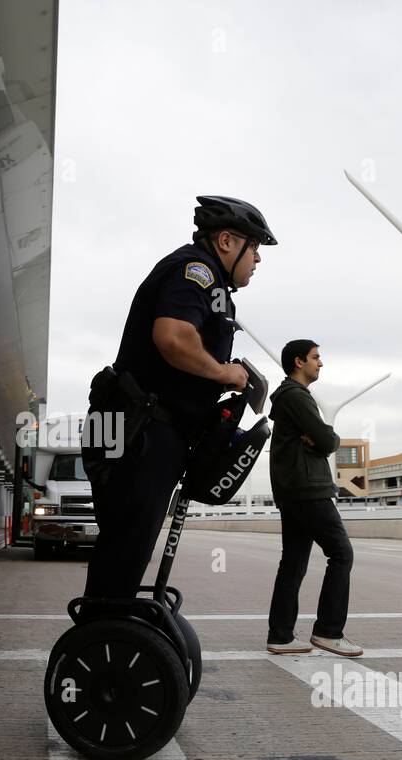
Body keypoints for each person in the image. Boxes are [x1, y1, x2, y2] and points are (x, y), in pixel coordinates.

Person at [83, 195, 276, 599]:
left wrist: (222, 380)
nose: (257, 258)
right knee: (125, 548)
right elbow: (173, 337)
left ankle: (111, 632)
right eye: (254, 245)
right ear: (226, 240)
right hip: (143, 429)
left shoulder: (213, 284)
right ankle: (104, 641)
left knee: (128, 548)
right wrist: (226, 373)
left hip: (148, 428)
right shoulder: (196, 271)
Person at [265, 340, 361, 657]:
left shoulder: (289, 398)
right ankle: (328, 631)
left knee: (293, 564)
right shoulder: (295, 395)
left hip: (293, 489)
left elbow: (317, 438)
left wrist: (319, 438)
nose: (321, 363)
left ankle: (280, 636)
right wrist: (325, 438)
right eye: (316, 357)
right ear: (298, 361)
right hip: (308, 489)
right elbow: (326, 438)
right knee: (341, 553)